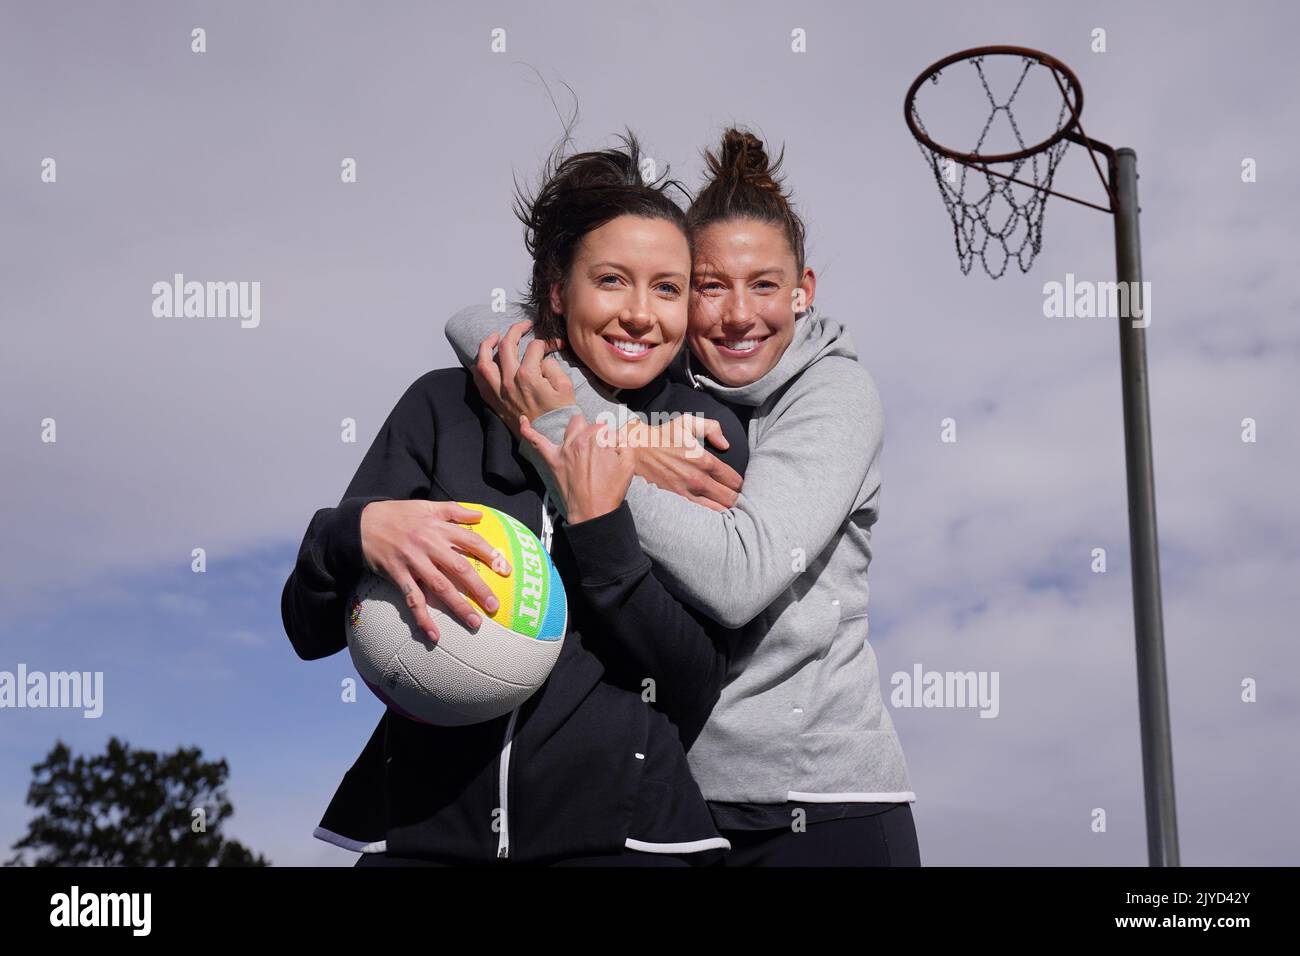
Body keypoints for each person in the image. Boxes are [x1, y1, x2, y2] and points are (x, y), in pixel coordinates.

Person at [446, 128, 920, 866]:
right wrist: (627, 442)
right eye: (708, 286)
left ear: (805, 291)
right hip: (683, 805)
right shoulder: (667, 388)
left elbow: (740, 578)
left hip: (821, 806)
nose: (737, 315)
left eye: (764, 284)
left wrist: (587, 452)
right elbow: (479, 324)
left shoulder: (836, 392)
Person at [281, 132, 750, 866]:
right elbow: (307, 627)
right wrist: (358, 532)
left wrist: (600, 528)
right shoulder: (441, 406)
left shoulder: (702, 434)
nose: (640, 314)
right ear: (560, 291)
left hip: (633, 844)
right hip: (424, 837)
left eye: (668, 288)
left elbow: (691, 685)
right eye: (612, 280)